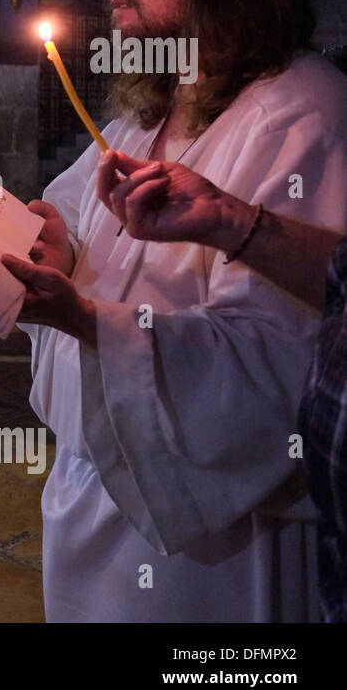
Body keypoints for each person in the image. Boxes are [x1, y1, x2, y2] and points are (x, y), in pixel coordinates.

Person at [0, 0, 347, 621]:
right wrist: (57, 248)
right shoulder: (141, 120)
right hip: (93, 490)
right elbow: (74, 222)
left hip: (211, 535)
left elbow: (283, 361)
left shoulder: (302, 111)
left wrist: (90, 323)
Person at [96, 148, 347, 621]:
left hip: (221, 534)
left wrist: (90, 322)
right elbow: (340, 277)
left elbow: (271, 367)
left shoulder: (298, 125)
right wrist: (227, 218)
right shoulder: (141, 131)